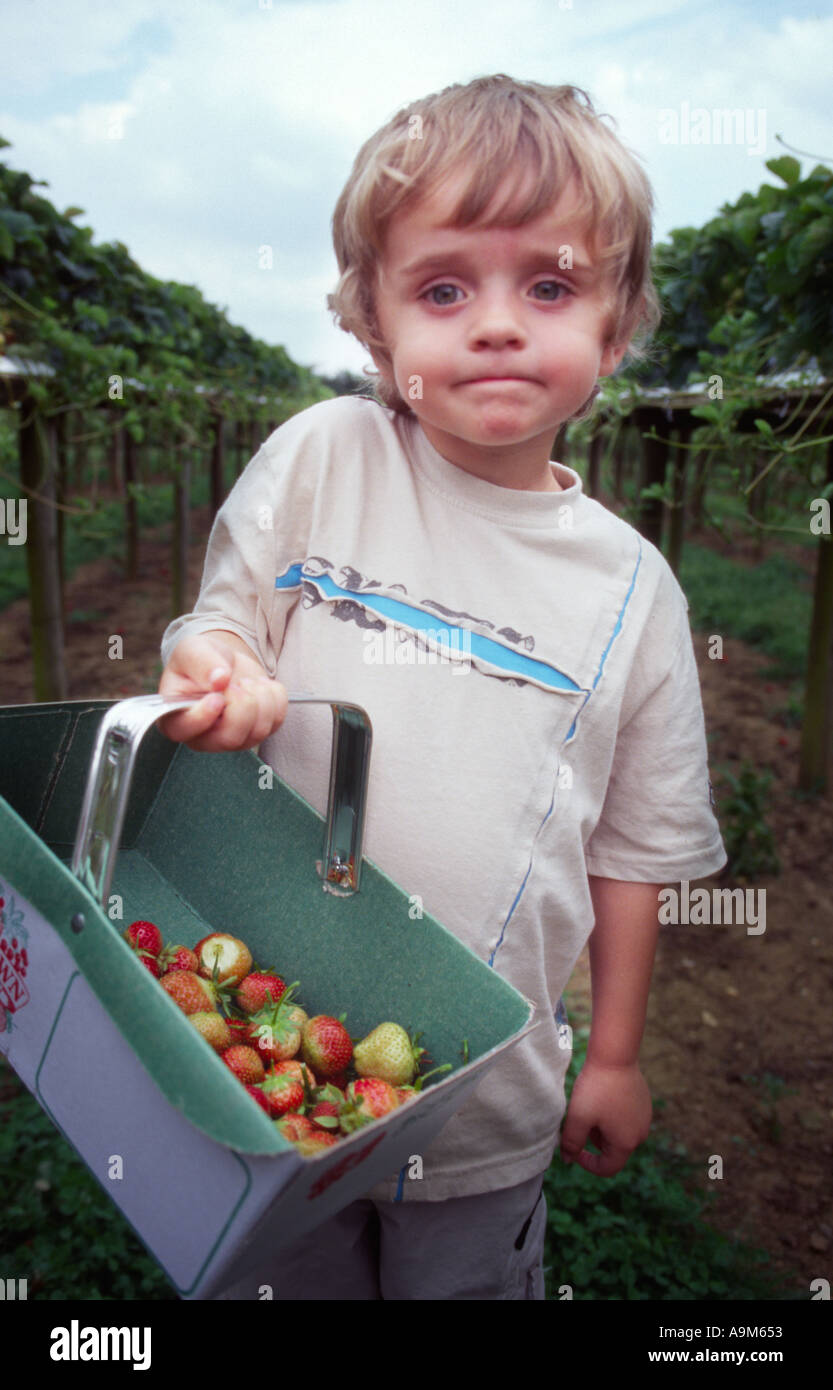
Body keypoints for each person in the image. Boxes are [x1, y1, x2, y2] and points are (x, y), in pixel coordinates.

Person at [157, 75, 727, 1300]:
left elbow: (631, 848)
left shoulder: (633, 590)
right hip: (265, 1038)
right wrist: (217, 663)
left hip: (486, 1097)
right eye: (442, 289)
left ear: (615, 330)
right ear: (374, 327)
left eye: (551, 287)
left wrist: (613, 1055)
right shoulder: (325, 458)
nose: (497, 325)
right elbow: (222, 621)